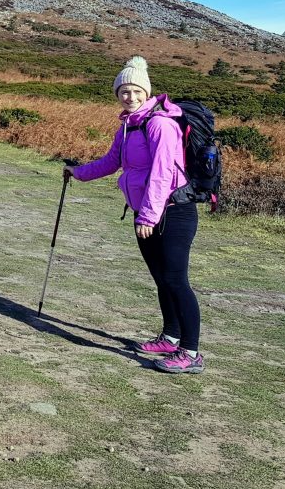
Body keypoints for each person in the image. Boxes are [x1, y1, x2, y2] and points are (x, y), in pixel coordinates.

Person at [63, 56, 204, 374]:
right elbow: (111, 162)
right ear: (117, 95)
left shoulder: (159, 124)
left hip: (172, 211)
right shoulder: (127, 127)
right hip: (148, 212)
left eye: (136, 91)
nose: (130, 97)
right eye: (124, 91)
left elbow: (162, 173)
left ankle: (191, 353)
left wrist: (148, 217)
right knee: (161, 278)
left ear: (147, 92)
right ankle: (170, 337)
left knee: (176, 280)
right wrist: (78, 173)